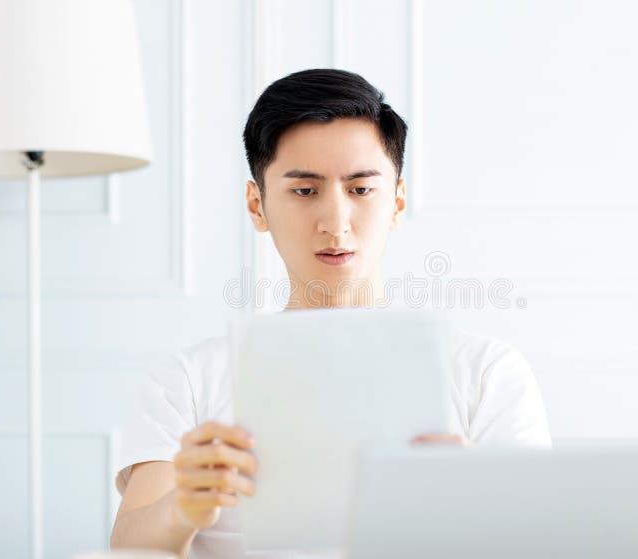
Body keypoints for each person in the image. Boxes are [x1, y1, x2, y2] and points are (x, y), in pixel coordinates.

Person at [109, 68, 551, 559]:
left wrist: (472, 498)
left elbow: (540, 539)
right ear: (257, 205)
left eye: (361, 190)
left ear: (397, 201)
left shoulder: (487, 372)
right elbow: (128, 544)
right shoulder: (188, 380)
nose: (335, 223)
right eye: (304, 191)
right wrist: (182, 511)